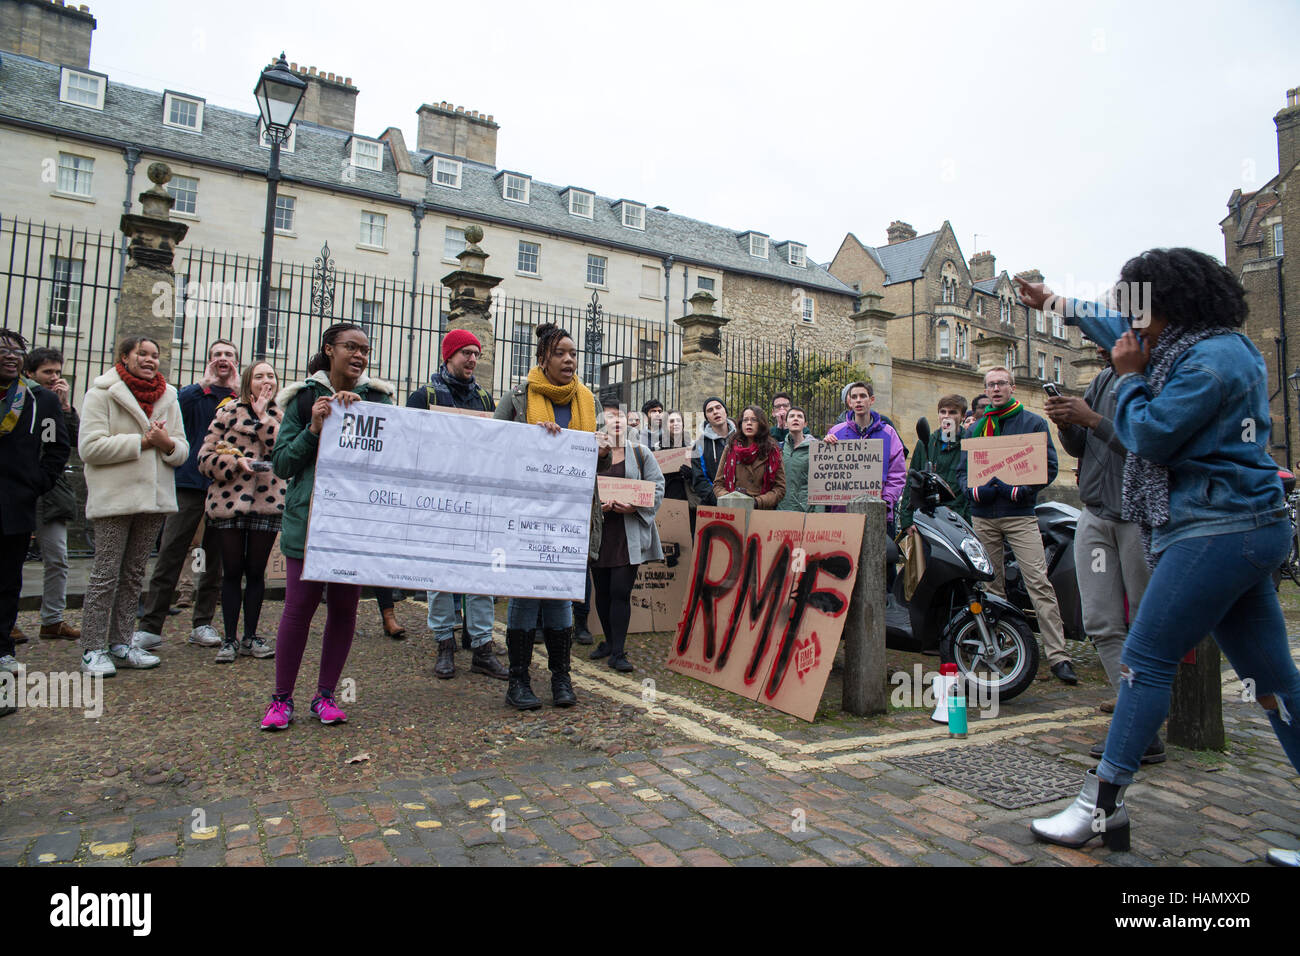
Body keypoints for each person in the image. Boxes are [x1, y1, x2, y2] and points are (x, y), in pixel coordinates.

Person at [1023, 249, 1300, 863]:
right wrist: (1051, 303)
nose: (1125, 322)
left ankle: (1100, 805)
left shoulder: (1212, 361)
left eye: (1134, 308)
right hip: (1238, 527)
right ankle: (1104, 806)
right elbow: (1105, 324)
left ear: (1168, 305)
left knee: (1144, 660)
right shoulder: (1180, 344)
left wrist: (1127, 378)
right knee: (1273, 681)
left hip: (1217, 527)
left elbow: (1150, 435)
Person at [262, 323, 394, 730]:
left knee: (344, 609)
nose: (359, 355)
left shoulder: (379, 399)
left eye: (365, 350)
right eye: (350, 347)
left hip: (353, 526)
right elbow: (282, 464)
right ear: (329, 350)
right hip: (309, 522)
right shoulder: (302, 399)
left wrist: (363, 417)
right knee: (298, 609)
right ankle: (281, 700)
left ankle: (325, 696)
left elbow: (393, 459)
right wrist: (314, 429)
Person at [1048, 347, 1159, 760]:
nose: (1096, 347)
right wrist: (1067, 423)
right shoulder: (1101, 379)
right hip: (1094, 514)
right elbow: (1081, 447)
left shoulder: (1151, 378)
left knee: (1147, 621)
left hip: (1137, 517)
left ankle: (1145, 722)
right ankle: (1139, 720)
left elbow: (1148, 445)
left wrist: (1092, 418)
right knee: (1100, 621)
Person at [495, 322, 603, 710]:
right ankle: (518, 682)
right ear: (543, 357)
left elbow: (598, 451)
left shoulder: (589, 401)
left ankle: (561, 678)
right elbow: (494, 446)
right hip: (527, 511)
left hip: (570, 515)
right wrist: (531, 440)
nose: (569, 359)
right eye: (560, 353)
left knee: (560, 593)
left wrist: (600, 447)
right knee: (525, 596)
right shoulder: (517, 397)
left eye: (573, 353)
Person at [956, 366, 1076, 685]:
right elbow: (961, 471)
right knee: (992, 588)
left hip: (1020, 514)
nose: (995, 389)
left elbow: (1048, 467)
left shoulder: (1033, 423)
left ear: (1012, 387)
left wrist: (1021, 488)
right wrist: (971, 489)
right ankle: (1006, 648)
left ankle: (1058, 655)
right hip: (983, 516)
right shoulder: (976, 429)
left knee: (1038, 582)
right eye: (990, 385)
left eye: (1001, 384)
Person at [78, 336, 187, 676]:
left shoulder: (169, 396)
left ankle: (122, 643)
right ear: (124, 357)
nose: (150, 359)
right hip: (114, 500)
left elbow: (181, 450)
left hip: (152, 500)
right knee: (105, 574)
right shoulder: (101, 393)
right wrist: (143, 441)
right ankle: (92, 648)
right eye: (142, 353)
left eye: (155, 354)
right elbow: (90, 448)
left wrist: (165, 443)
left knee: (135, 573)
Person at [407, 328, 507, 681]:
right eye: (465, 352)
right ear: (448, 356)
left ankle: (482, 647)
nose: (472, 359)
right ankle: (444, 644)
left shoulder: (484, 400)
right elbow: (409, 445)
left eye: (476, 354)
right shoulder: (425, 396)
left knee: (480, 575)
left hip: (477, 500)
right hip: (440, 501)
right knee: (441, 575)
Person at [134, 339, 239, 651]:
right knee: (171, 552)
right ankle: (151, 626)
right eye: (218, 355)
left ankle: (203, 623)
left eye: (229, 355)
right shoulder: (193, 395)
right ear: (209, 361)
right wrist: (203, 384)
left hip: (223, 486)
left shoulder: (238, 399)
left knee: (213, 558)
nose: (223, 359)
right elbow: (174, 410)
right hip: (190, 484)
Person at [196, 360, 284, 663]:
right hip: (229, 502)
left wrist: (263, 417)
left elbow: (283, 454)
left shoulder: (280, 416)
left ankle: (251, 636)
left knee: (256, 573)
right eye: (259, 376)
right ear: (248, 382)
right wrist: (234, 464)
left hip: (266, 502)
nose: (265, 381)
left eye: (270, 376)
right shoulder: (226, 413)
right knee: (231, 572)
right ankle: (230, 639)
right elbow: (204, 458)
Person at [0, 330, 70, 681]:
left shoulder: (39, 400)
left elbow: (56, 446)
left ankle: (2, 649)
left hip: (14, 503)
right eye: (3, 349)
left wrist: (36, 483)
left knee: (7, 580)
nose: (11, 356)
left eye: (17, 350)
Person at [589, 397, 664, 671]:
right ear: (601, 422)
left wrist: (633, 506)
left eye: (620, 415)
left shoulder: (640, 452)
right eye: (610, 416)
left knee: (621, 590)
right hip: (600, 534)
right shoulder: (590, 452)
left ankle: (618, 652)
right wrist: (600, 506)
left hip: (627, 532)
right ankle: (608, 642)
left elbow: (657, 486)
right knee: (603, 592)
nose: (617, 420)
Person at [23, 347, 81, 642]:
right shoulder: (19, 401)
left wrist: (65, 409)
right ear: (30, 374)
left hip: (51, 492)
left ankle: (52, 619)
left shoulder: (58, 405)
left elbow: (69, 442)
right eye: (48, 372)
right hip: (19, 489)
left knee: (57, 557)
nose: (55, 378)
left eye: (58, 372)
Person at [824, 381, 906, 525]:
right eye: (854, 397)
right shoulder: (836, 432)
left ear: (871, 400)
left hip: (879, 514)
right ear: (849, 402)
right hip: (843, 514)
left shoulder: (889, 433)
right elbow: (825, 471)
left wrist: (886, 501)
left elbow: (897, 473)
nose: (859, 400)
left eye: (863, 396)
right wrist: (825, 448)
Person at [898, 395, 971, 530]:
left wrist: (968, 519)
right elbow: (911, 483)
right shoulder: (925, 443)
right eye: (943, 412)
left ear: (963, 416)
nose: (946, 416)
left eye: (953, 412)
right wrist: (907, 521)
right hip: (929, 518)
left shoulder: (969, 444)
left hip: (960, 519)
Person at [714, 405, 786, 509]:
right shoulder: (730, 449)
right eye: (745, 420)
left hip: (760, 511)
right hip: (733, 510)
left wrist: (756, 502)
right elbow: (718, 484)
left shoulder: (772, 450)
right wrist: (730, 499)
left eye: (754, 420)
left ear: (761, 423)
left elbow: (780, 488)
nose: (749, 423)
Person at [689, 396, 735, 507]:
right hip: (714, 505)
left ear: (725, 411)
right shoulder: (699, 445)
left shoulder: (742, 439)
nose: (715, 412)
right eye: (710, 410)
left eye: (718, 407)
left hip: (743, 501)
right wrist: (719, 499)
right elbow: (700, 480)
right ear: (707, 418)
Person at [776, 406, 819, 513]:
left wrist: (818, 514)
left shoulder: (816, 448)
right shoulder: (778, 449)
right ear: (785, 423)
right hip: (780, 509)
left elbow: (819, 484)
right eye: (791, 416)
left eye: (799, 416)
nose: (795, 419)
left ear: (805, 424)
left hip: (805, 511)